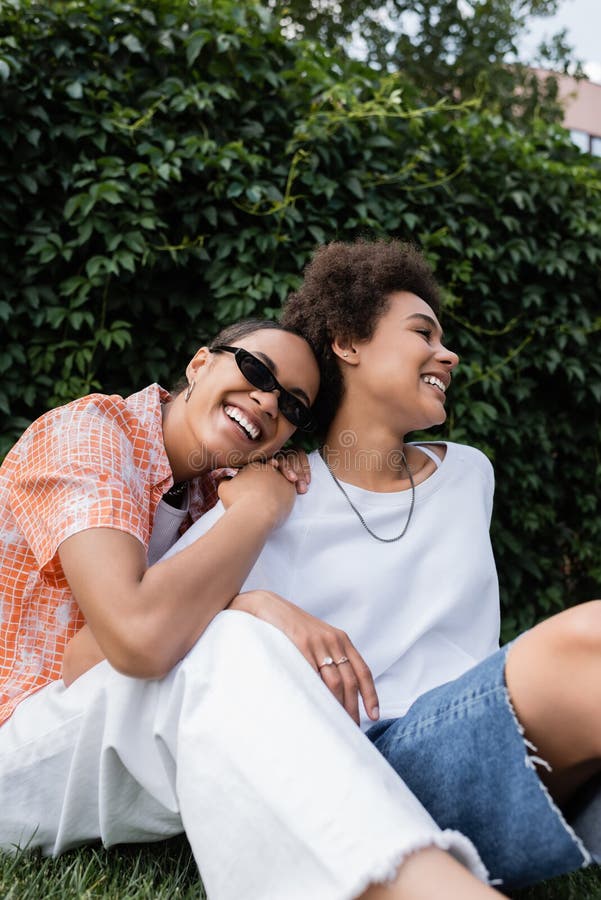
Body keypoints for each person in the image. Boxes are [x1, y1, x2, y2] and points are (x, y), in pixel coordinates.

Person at [0, 317, 497, 900]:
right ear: (199, 363)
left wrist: (248, 573)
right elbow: (135, 638)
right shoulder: (90, 434)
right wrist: (258, 519)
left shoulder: (219, 483)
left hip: (95, 727)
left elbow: (167, 623)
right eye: (257, 371)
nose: (267, 403)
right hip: (19, 734)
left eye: (293, 408)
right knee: (236, 645)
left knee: (241, 646)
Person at [162, 239, 601, 893]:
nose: (446, 354)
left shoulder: (468, 475)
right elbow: (168, 623)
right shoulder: (266, 495)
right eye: (422, 332)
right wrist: (252, 602)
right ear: (347, 342)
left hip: (470, 736)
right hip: (362, 765)